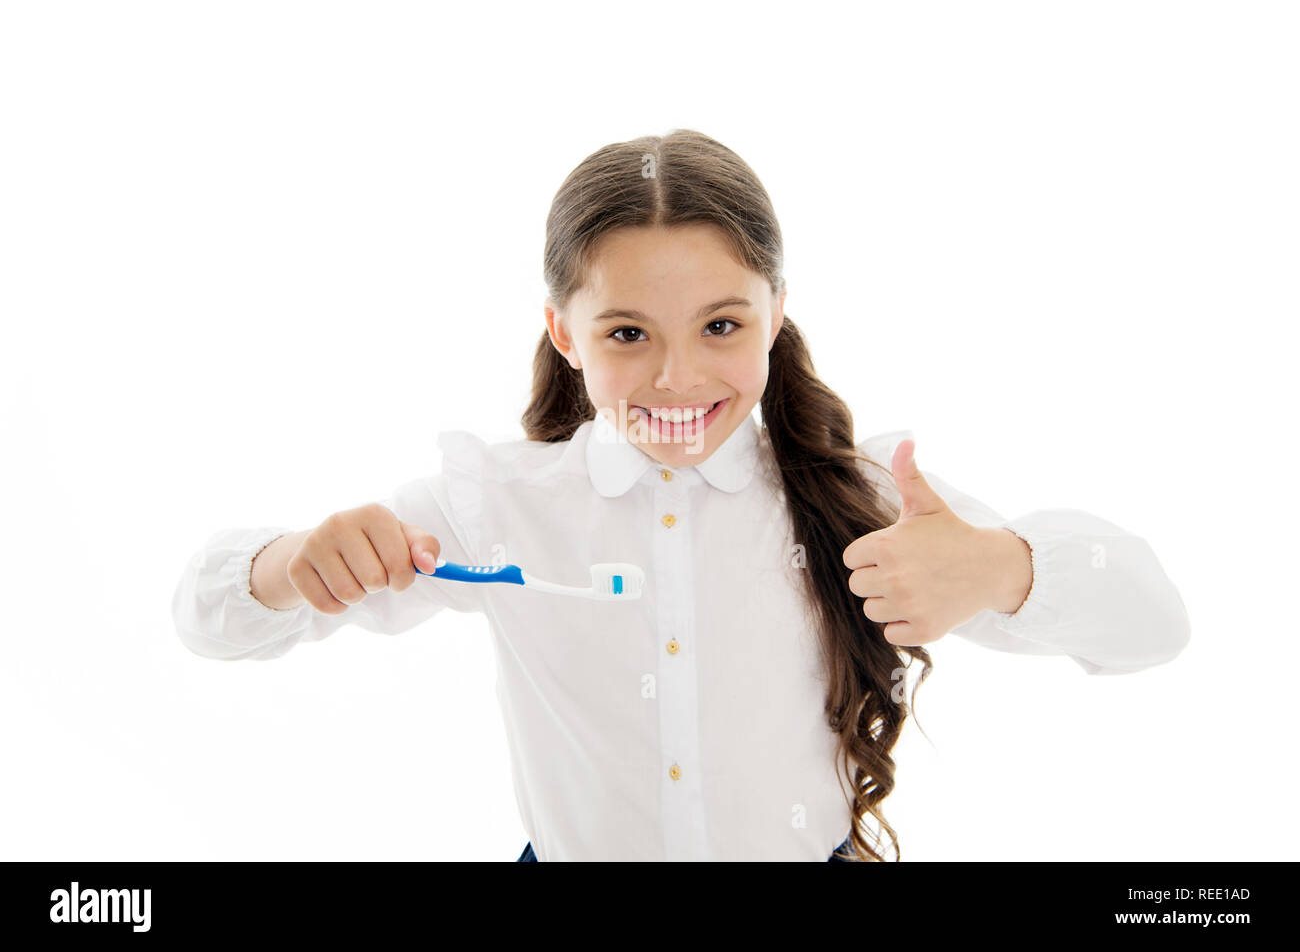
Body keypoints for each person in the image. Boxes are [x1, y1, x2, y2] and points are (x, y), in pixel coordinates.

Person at [172, 129, 1191, 862]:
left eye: (719, 327)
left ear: (776, 314)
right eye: (626, 334)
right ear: (563, 333)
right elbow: (206, 620)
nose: (674, 380)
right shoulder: (494, 504)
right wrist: (290, 565)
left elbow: (1156, 625)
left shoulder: (857, 494)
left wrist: (1003, 568)